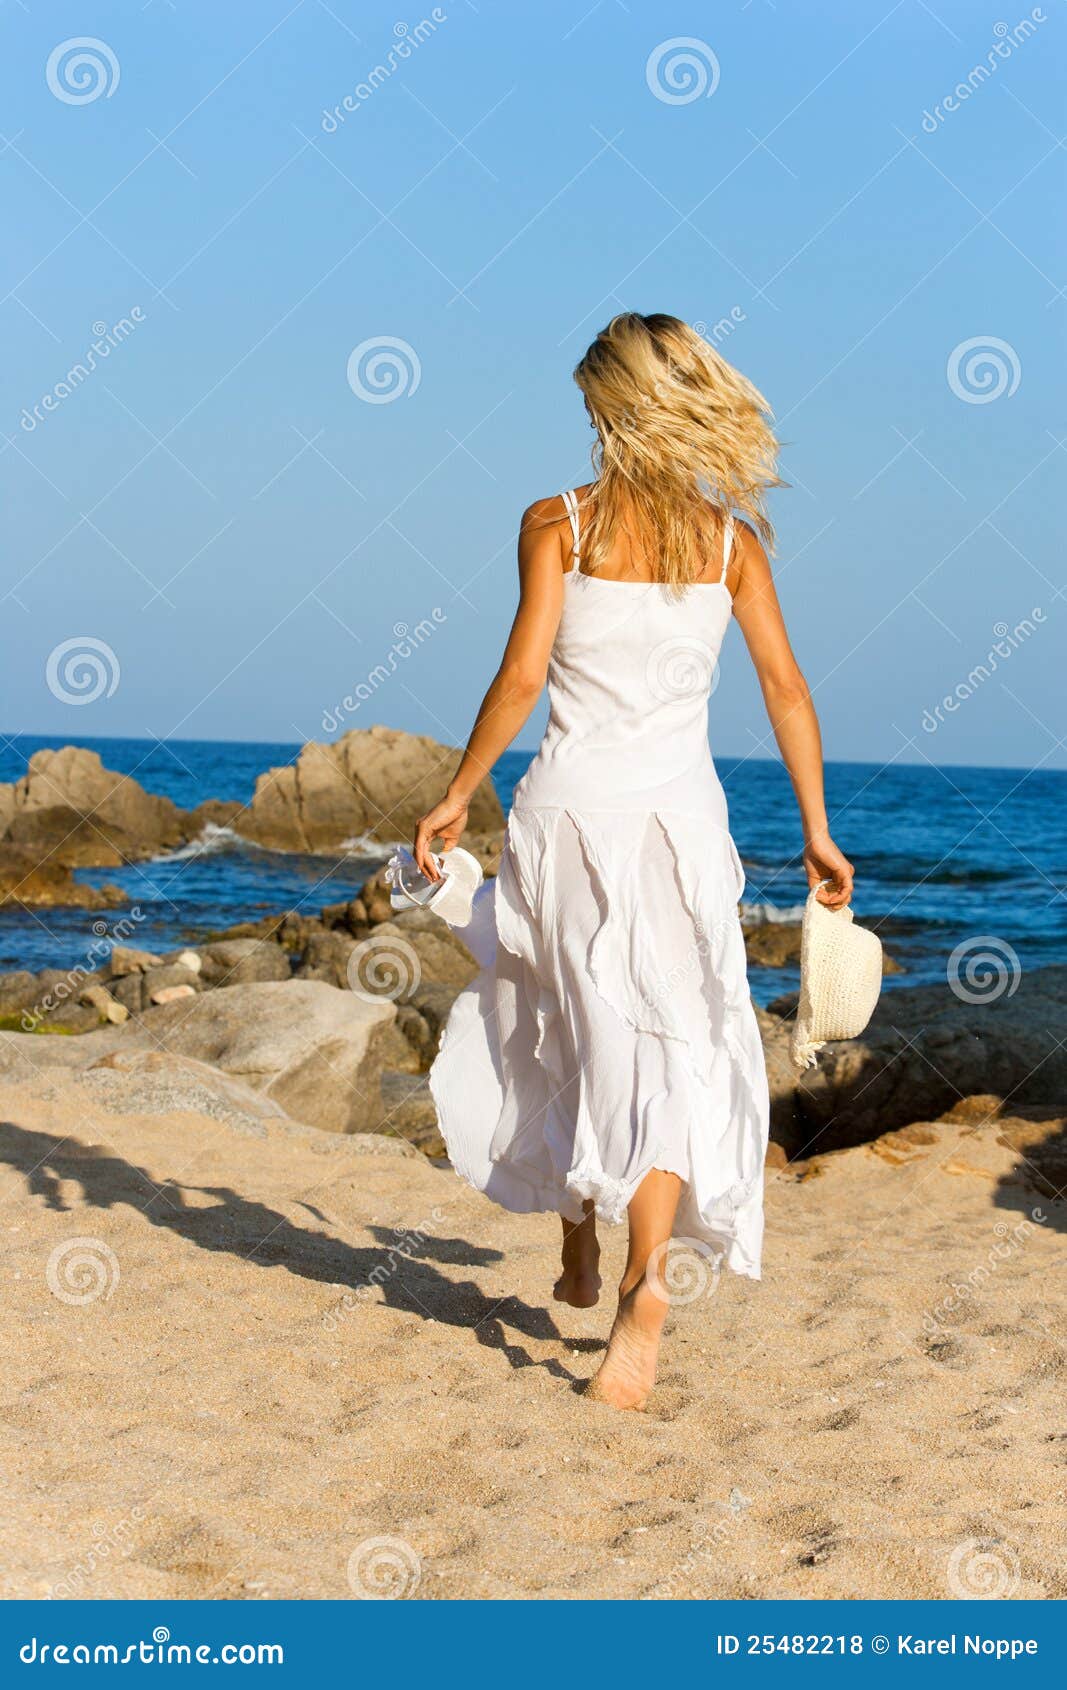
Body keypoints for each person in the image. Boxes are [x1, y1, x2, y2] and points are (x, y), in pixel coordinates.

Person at [413, 312, 852, 1410]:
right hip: (682, 829)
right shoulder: (728, 542)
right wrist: (815, 827)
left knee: (565, 1023)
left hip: (569, 819)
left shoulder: (553, 524)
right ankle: (639, 1291)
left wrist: (457, 792)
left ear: (607, 409)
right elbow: (786, 689)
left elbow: (521, 680)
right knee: (663, 1049)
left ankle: (581, 1241)